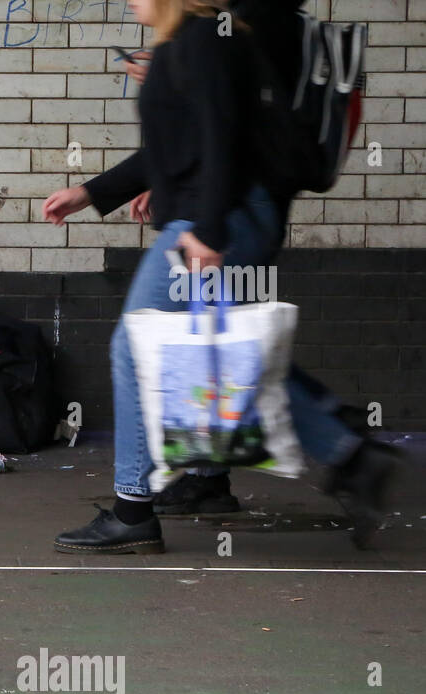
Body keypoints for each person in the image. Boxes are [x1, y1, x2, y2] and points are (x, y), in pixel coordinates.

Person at [41, 0, 399, 554]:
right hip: (222, 216)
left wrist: (207, 229)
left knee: (133, 347)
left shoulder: (205, 40)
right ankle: (350, 454)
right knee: (230, 354)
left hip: (220, 219)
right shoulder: (182, 46)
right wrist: (90, 192)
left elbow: (221, 138)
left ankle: (133, 510)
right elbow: (176, 148)